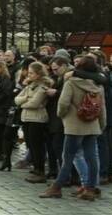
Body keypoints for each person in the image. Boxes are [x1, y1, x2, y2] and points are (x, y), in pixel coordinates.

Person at [40, 55, 106, 201]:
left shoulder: (71, 83)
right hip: (92, 125)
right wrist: (101, 125)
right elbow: (102, 108)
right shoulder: (98, 85)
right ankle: (90, 188)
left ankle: (56, 187)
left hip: (74, 126)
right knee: (92, 157)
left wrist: (62, 116)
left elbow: (63, 104)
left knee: (67, 157)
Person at [16, 62, 51, 183]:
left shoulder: (43, 85)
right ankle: (35, 168)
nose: (28, 75)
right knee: (30, 144)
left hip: (37, 119)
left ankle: (40, 170)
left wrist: (24, 103)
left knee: (37, 146)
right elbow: (17, 99)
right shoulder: (30, 85)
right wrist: (26, 99)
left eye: (31, 73)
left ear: (38, 74)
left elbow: (35, 103)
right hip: (27, 118)